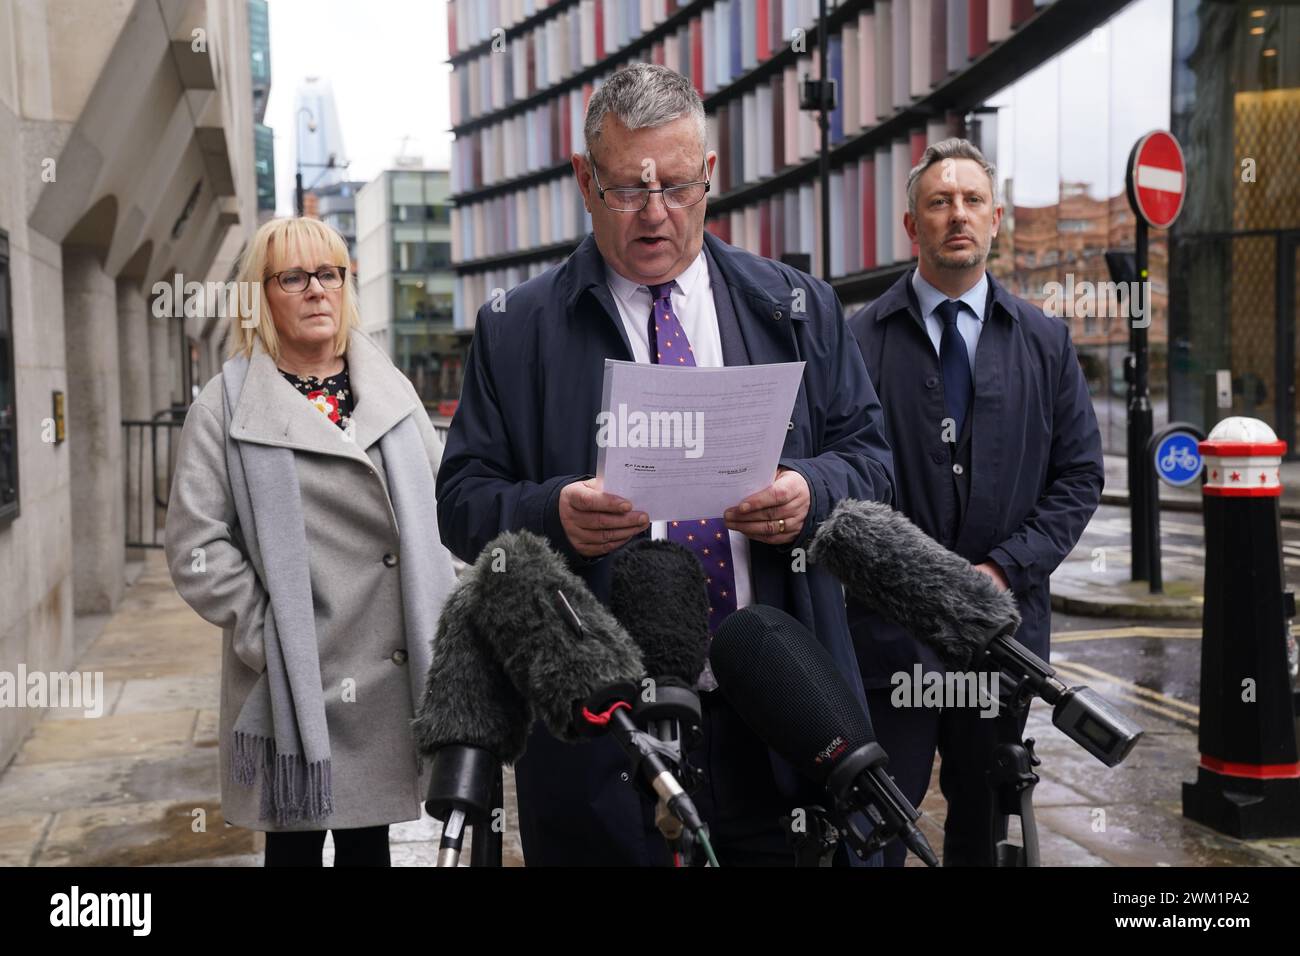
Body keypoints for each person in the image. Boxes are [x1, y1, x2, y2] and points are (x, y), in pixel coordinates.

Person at [436, 63, 895, 866]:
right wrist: (554, 515)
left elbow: (872, 463)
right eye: (626, 191)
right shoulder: (516, 331)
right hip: (600, 736)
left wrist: (809, 492)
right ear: (584, 180)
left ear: (710, 176)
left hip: (777, 723)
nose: (656, 215)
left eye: (678, 187)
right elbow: (464, 503)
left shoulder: (796, 307)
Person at [165, 217, 457, 866]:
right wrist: (270, 632)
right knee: (292, 853)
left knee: (368, 848)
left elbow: (444, 514)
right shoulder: (225, 404)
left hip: (386, 673)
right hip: (292, 677)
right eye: (293, 277)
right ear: (261, 295)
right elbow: (195, 546)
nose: (316, 291)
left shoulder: (392, 391)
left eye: (329, 274)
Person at [847, 139, 1104, 866]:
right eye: (938, 201)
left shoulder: (1046, 342)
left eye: (971, 201)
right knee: (871, 832)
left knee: (983, 834)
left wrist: (1001, 569)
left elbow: (1079, 476)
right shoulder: (855, 340)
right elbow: (835, 477)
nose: (956, 214)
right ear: (911, 225)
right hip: (884, 642)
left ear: (995, 220)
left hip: (1001, 641)